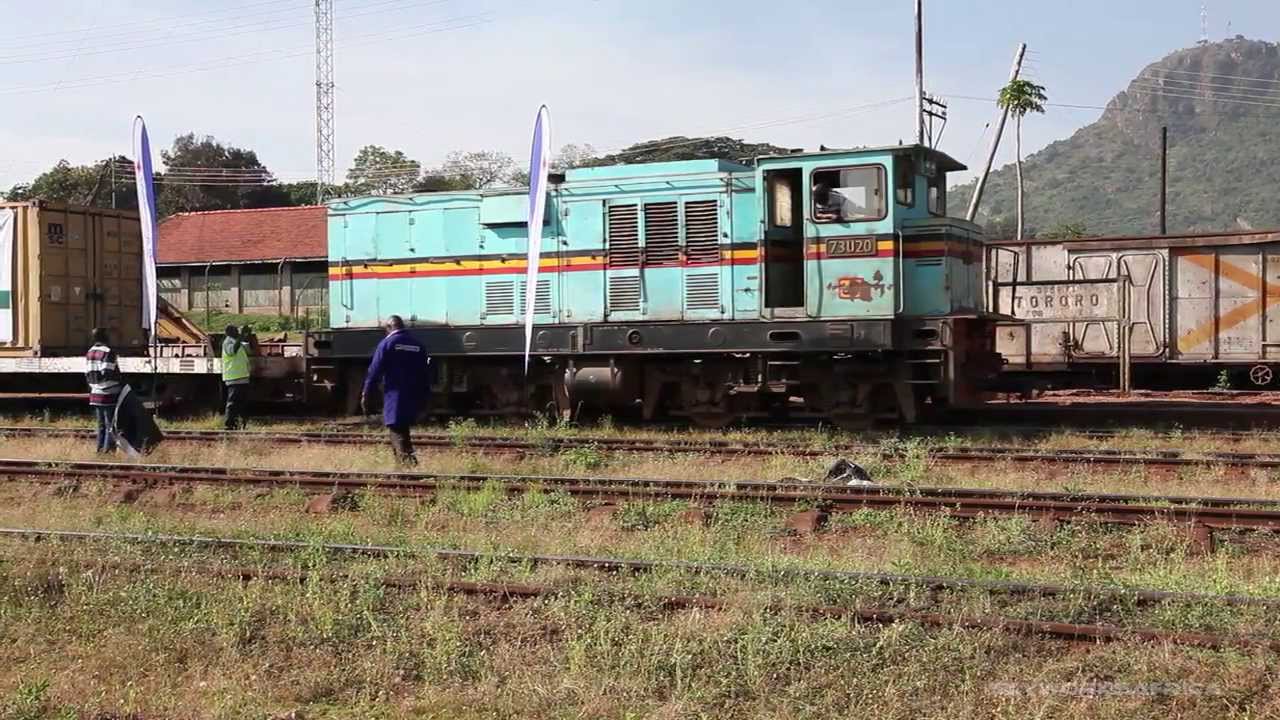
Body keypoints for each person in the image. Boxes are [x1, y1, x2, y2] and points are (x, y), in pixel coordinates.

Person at [361, 315, 430, 466]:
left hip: (395, 394)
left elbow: (374, 371)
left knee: (395, 426)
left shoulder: (387, 343)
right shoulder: (418, 345)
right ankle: (404, 464)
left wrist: (366, 392)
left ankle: (408, 464)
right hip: (414, 393)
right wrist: (425, 398)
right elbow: (426, 373)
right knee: (402, 427)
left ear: (389, 328)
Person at [85, 328, 123, 453]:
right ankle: (108, 452)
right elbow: (107, 372)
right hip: (108, 392)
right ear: (105, 337)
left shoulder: (90, 352)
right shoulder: (108, 352)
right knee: (110, 425)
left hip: (94, 392)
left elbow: (88, 373)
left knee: (101, 425)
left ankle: (99, 450)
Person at [221, 325, 252, 430]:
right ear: (229, 333)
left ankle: (240, 425)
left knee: (241, 404)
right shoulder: (227, 342)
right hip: (234, 378)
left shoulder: (238, 342)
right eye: (236, 331)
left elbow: (248, 350)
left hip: (242, 377)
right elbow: (232, 351)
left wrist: (246, 336)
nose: (238, 332)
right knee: (233, 403)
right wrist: (242, 336)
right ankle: (229, 425)